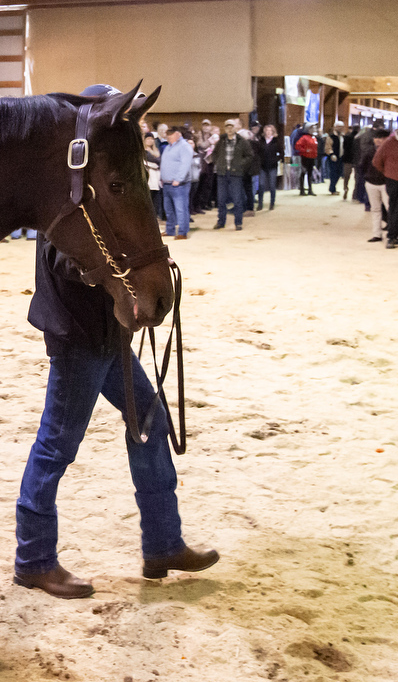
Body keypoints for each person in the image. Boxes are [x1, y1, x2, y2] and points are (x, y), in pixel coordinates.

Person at [13, 229, 219, 598]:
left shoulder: (100, 203)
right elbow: (60, 259)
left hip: (111, 337)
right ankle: (33, 560)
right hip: (79, 340)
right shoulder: (64, 203)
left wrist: (149, 264)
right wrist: (122, 272)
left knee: (150, 422)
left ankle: (163, 545)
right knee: (55, 447)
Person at [210, 119, 253, 230]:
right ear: (225, 128)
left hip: (236, 174)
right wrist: (218, 163)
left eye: (231, 127)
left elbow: (249, 156)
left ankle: (238, 223)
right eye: (227, 127)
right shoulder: (221, 141)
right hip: (222, 173)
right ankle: (221, 222)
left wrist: (239, 165)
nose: (229, 129)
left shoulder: (242, 141)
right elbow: (214, 154)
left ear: (235, 128)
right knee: (221, 199)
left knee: (237, 199)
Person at [159, 127, 192, 239]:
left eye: (170, 135)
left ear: (177, 134)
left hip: (179, 184)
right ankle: (170, 230)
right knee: (168, 209)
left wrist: (179, 179)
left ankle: (182, 232)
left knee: (180, 209)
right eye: (167, 135)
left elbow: (185, 164)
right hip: (167, 183)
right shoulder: (168, 147)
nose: (168, 137)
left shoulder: (184, 146)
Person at [371, 126, 398, 249]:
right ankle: (391, 237)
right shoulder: (389, 143)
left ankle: (393, 236)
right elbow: (376, 161)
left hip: (392, 179)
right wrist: (388, 173)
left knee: (395, 208)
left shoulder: (388, 142)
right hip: (393, 180)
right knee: (396, 208)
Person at [363, 129, 390, 243]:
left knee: (391, 209)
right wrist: (366, 176)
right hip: (371, 183)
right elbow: (361, 165)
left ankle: (395, 234)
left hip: (386, 184)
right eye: (376, 137)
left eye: (381, 138)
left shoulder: (390, 151)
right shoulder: (369, 151)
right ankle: (377, 234)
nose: (377, 140)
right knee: (375, 209)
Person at [255, 124, 283, 211]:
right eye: (266, 130)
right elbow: (257, 152)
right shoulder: (261, 141)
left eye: (270, 131)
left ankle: (272, 203)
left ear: (273, 132)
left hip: (272, 166)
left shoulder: (276, 142)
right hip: (262, 166)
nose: (268, 132)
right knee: (261, 185)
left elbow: (281, 152)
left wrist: (276, 159)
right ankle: (260, 203)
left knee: (272, 185)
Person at [293, 125, 318, 195]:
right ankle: (302, 190)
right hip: (305, 157)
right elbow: (297, 146)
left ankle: (310, 190)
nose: (314, 130)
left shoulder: (314, 138)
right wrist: (305, 150)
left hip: (312, 158)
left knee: (310, 174)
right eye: (313, 128)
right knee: (303, 173)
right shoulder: (304, 138)